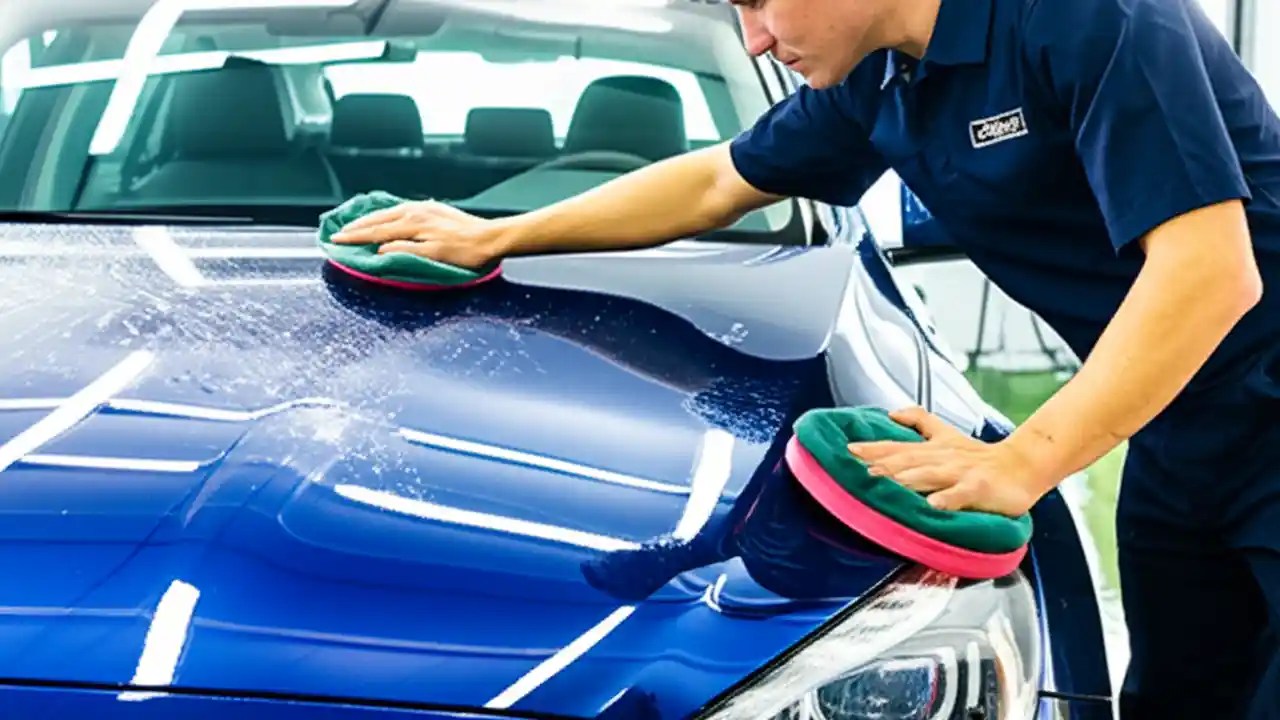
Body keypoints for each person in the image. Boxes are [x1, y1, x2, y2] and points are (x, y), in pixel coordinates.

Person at [330, 0, 1280, 715]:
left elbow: (1209, 276)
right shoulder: (876, 77)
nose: (752, 37)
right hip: (1180, 432)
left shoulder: (1091, 19)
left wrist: (1019, 462)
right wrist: (500, 234)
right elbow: (715, 181)